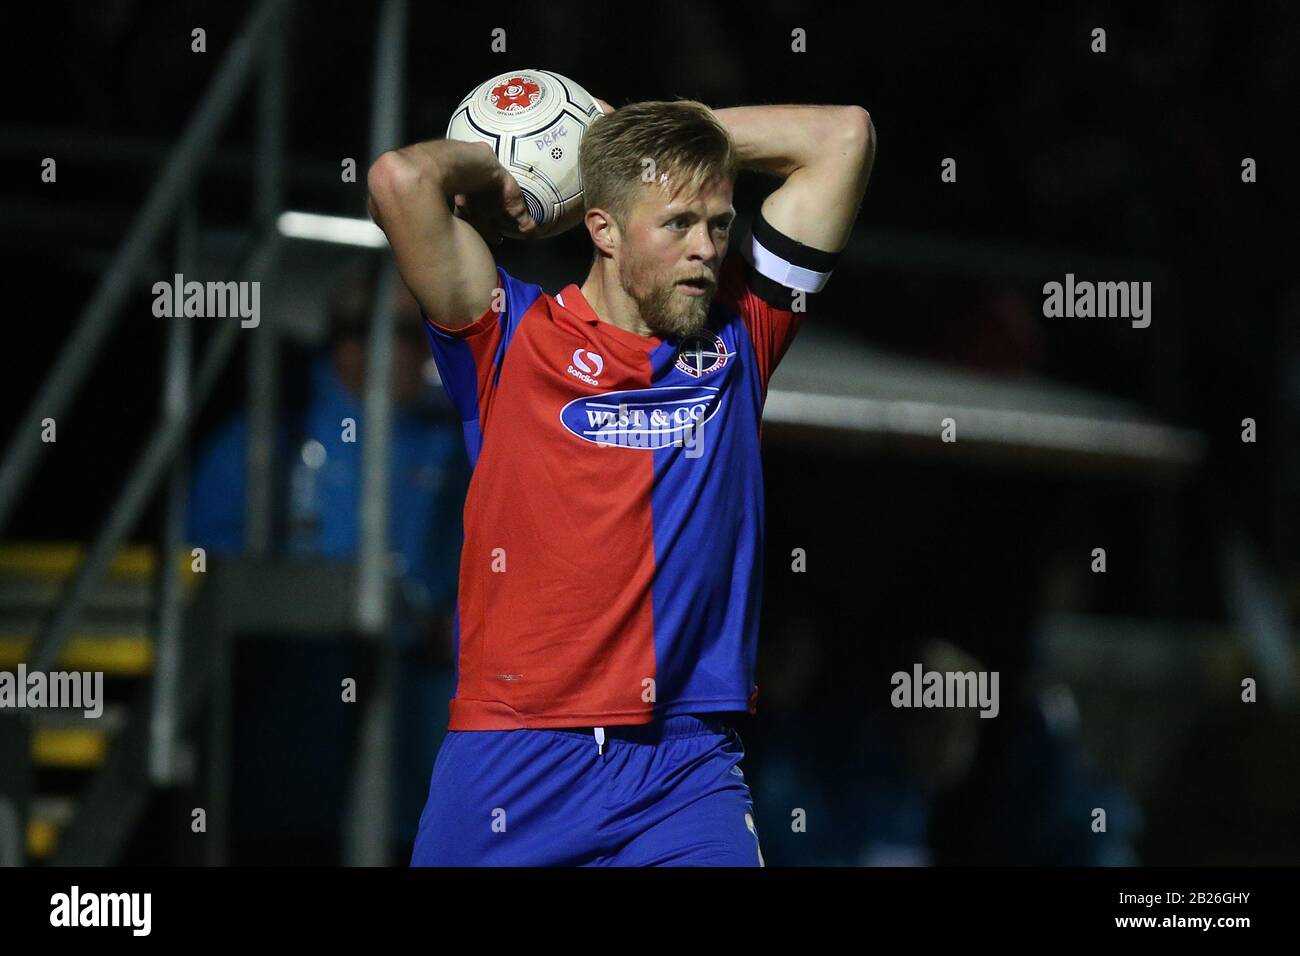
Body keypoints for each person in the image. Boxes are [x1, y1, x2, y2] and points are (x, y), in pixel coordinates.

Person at [367, 97, 875, 866]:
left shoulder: (743, 332)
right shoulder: (507, 336)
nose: (705, 248)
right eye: (677, 223)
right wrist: (534, 166)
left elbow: (845, 135)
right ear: (600, 227)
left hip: (687, 767)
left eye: (717, 223)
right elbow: (400, 179)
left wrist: (652, 129)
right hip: (514, 760)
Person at [187, 263, 469, 864]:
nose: (419, 356)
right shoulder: (270, 435)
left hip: (423, 748)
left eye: (426, 336)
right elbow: (210, 566)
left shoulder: (454, 445)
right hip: (292, 735)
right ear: (348, 339)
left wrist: (455, 628)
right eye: (405, 335)